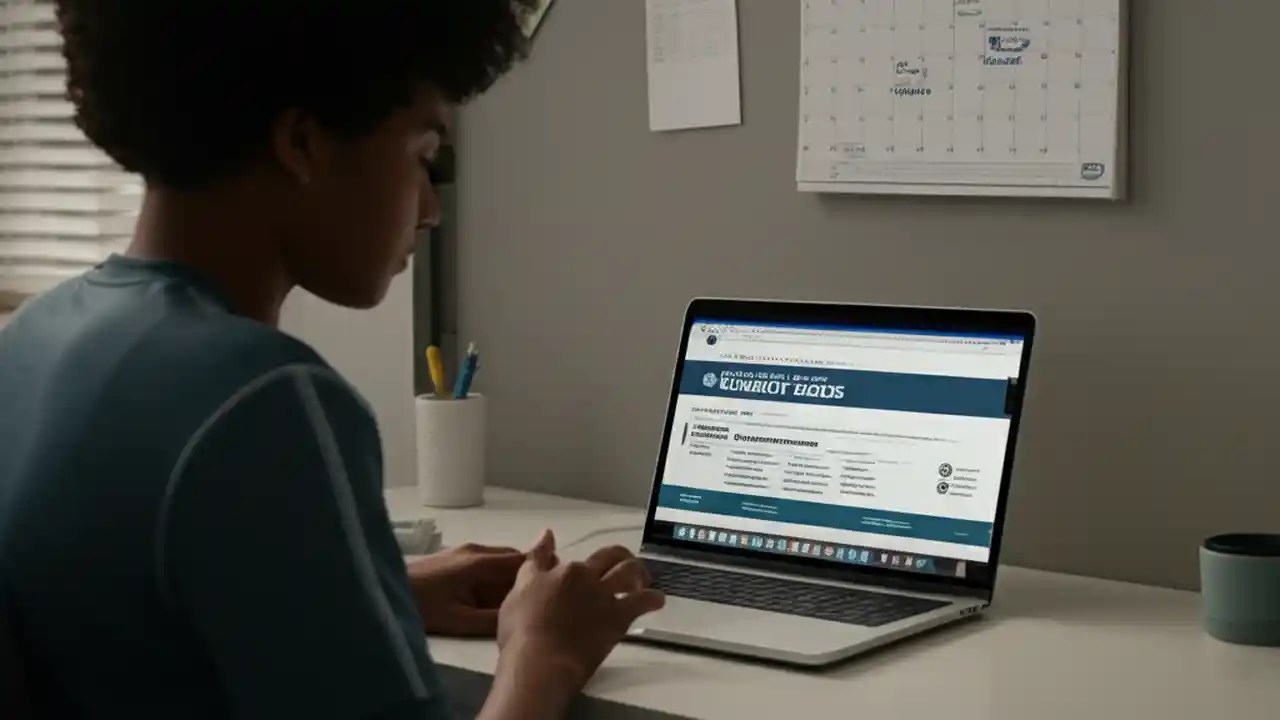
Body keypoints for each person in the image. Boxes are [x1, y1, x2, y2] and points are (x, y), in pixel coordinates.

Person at [0, 2, 664, 718]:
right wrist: (543, 653)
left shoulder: (36, 336)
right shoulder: (266, 398)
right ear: (303, 144)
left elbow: (125, 619)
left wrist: (377, 591)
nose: (429, 210)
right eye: (420, 156)